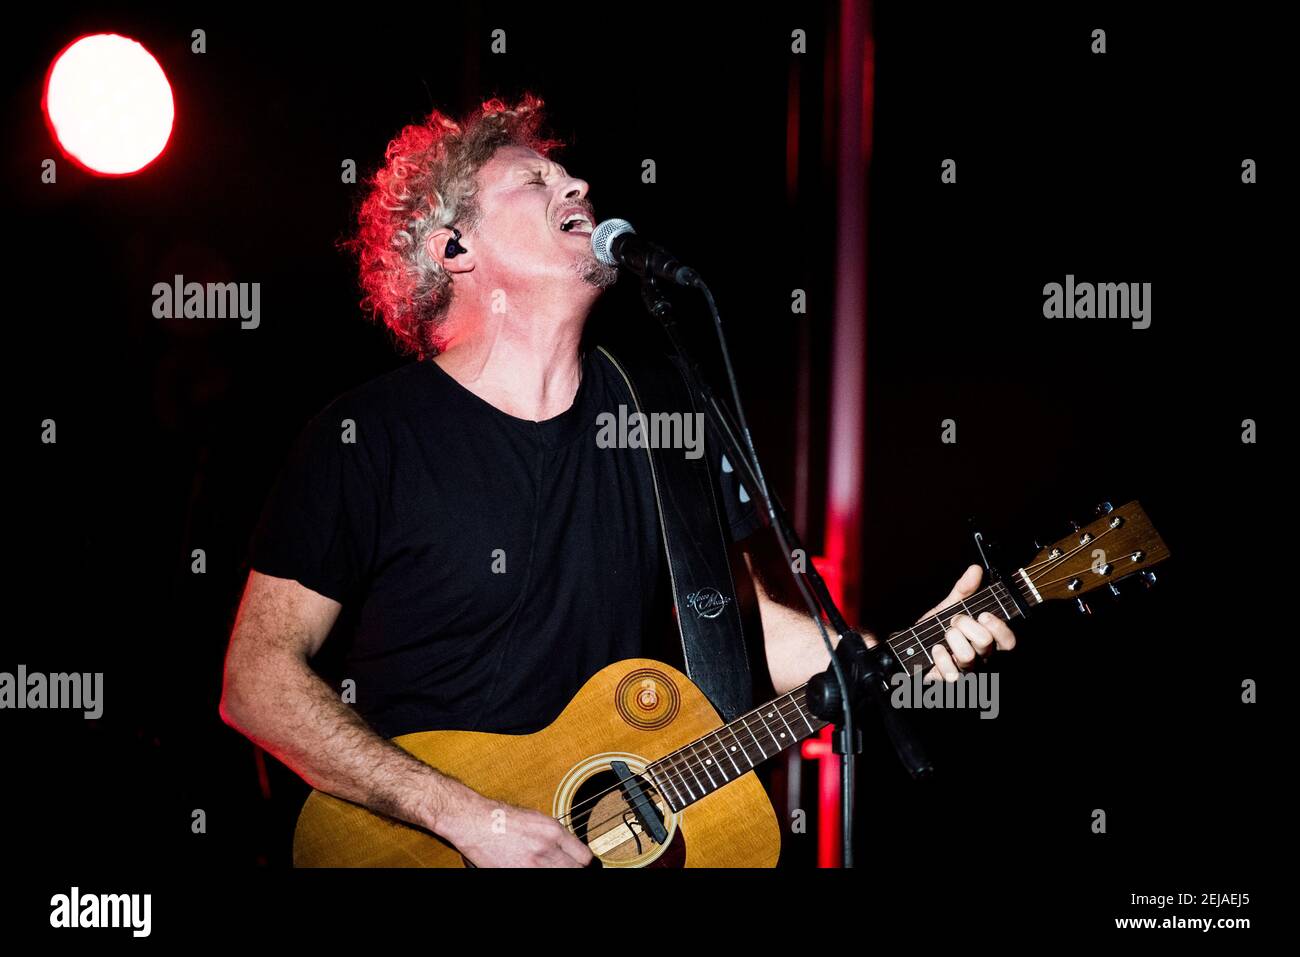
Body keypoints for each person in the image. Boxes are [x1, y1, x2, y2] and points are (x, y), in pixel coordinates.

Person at [218, 94, 1016, 868]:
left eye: (568, 174)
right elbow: (256, 682)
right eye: (535, 180)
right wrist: (472, 819)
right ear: (453, 249)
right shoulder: (367, 439)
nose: (577, 186)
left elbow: (761, 632)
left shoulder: (667, 416)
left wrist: (904, 650)